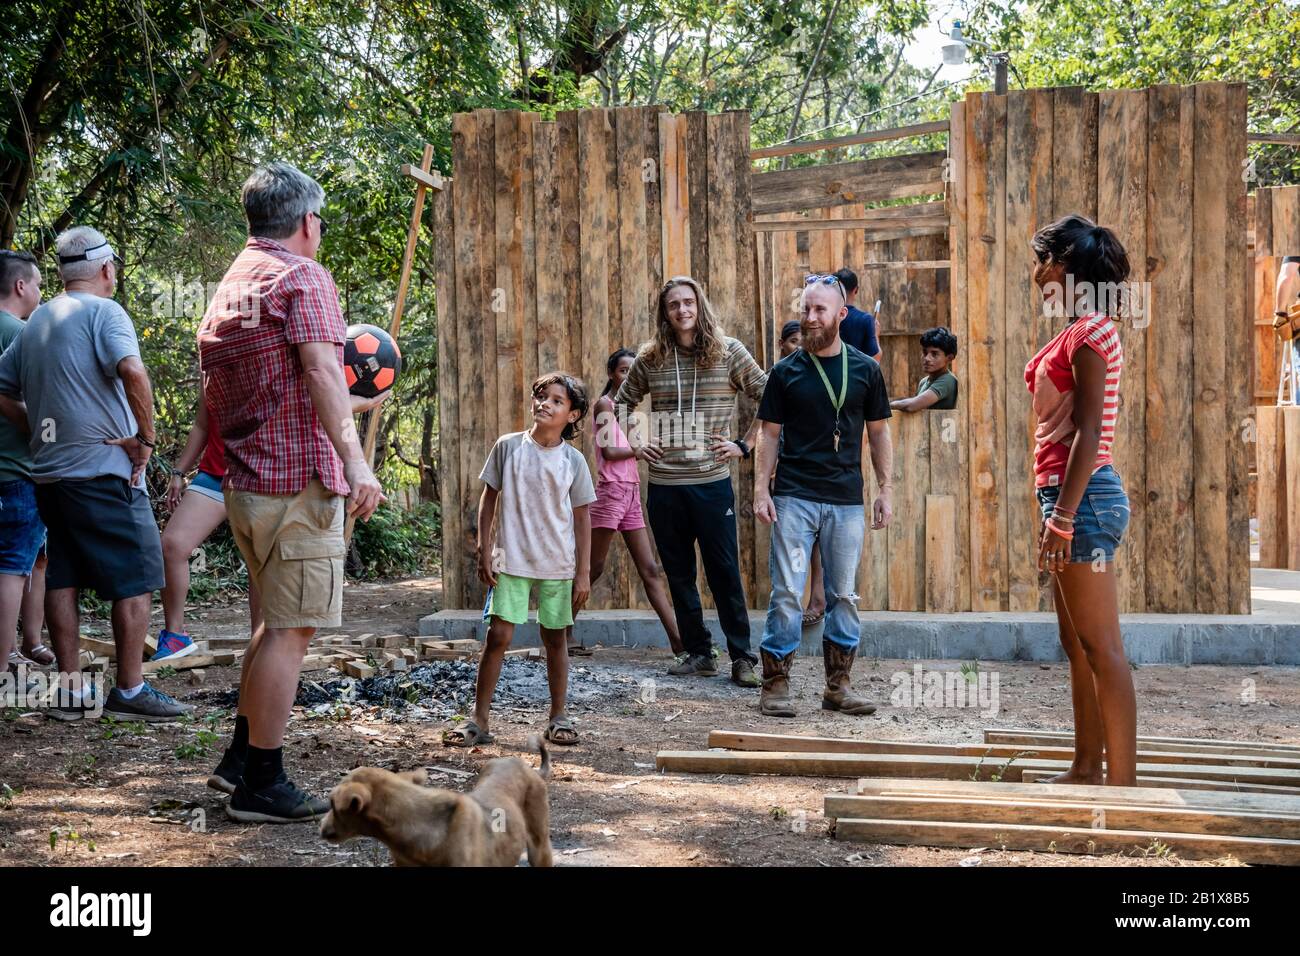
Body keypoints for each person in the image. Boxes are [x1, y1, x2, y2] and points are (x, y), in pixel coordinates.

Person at [199, 162, 386, 822]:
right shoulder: (302, 275)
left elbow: (226, 390)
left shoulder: (235, 281)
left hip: (247, 484)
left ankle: (239, 760)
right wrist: (358, 465)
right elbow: (321, 373)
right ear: (307, 221)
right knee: (289, 631)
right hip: (297, 484)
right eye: (322, 222)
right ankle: (263, 785)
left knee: (269, 628)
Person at [0, 227, 191, 722]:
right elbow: (133, 372)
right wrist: (145, 442)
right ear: (107, 269)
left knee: (64, 575)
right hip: (102, 473)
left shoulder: (40, 319)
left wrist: (36, 431)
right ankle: (129, 689)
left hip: (48, 476)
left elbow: (2, 387)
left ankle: (69, 690)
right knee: (138, 575)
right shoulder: (105, 312)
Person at [614, 276, 768, 686]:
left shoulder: (729, 351)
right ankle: (699, 653)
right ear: (663, 313)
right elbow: (621, 401)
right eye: (673, 305)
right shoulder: (651, 357)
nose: (682, 310)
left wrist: (745, 443)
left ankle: (742, 658)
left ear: (700, 305)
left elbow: (771, 396)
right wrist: (637, 439)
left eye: (688, 303)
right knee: (679, 573)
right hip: (664, 485)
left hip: (711, 481)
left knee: (724, 571)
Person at [1025, 213, 1135, 787]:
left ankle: (1123, 789)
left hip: (1085, 500)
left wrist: (1062, 518)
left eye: (1043, 259)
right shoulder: (1077, 328)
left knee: (1102, 646)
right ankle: (1087, 768)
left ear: (1065, 263)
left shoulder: (1093, 330)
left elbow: (1090, 433)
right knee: (1076, 642)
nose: (1037, 271)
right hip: (1068, 498)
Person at [753, 274, 893, 718]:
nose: (810, 318)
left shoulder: (866, 370)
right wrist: (761, 488)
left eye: (820, 310)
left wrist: (885, 488)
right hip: (793, 496)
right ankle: (775, 685)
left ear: (840, 315)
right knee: (788, 593)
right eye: (806, 309)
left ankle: (838, 687)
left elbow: (878, 434)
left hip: (846, 500)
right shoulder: (784, 371)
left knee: (844, 596)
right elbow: (768, 435)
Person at [445, 372, 594, 748]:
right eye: (541, 396)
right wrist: (485, 548)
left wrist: (583, 573)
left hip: (557, 564)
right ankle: (479, 719)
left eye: (557, 401)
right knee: (499, 636)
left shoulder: (573, 462)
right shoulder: (508, 447)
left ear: (573, 415)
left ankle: (558, 716)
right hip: (510, 560)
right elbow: (488, 499)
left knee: (555, 638)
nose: (545, 403)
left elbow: (582, 518)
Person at [568, 349, 683, 660]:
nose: (628, 376)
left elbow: (633, 448)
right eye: (622, 371)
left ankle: (679, 644)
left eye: (633, 371)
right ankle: (560, 633)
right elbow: (609, 452)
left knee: (650, 569)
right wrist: (640, 448)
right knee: (593, 568)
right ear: (611, 373)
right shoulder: (605, 404)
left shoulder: (629, 409)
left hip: (631, 493)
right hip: (610, 492)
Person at [154, 379, 264, 661]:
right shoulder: (212, 362)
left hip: (262, 475)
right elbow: (203, 426)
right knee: (172, 546)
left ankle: (262, 645)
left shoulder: (272, 351)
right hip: (215, 475)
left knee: (260, 562)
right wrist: (179, 472)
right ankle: (176, 637)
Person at [0, 251, 52, 686]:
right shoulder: (22, 334)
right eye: (36, 284)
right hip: (16, 468)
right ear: (20, 286)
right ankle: (4, 666)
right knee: (13, 565)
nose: (39, 292)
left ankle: (28, 644)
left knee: (32, 559)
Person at [777, 318, 828, 628]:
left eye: (802, 340)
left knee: (818, 539)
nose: (799, 346)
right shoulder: (777, 376)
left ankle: (818, 597)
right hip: (786, 467)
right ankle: (789, 602)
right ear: (783, 344)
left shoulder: (821, 374)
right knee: (790, 539)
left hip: (814, 466)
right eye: (793, 341)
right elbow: (768, 428)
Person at [890, 326, 959, 412]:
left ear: (949, 358)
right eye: (925, 352)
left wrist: (888, 405)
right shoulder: (923, 382)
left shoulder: (948, 380)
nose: (927, 358)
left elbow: (912, 406)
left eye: (934, 354)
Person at [833, 268, 882, 363]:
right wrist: (876, 334)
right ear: (856, 290)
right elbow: (875, 360)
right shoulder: (865, 320)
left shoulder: (826, 317)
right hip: (857, 376)